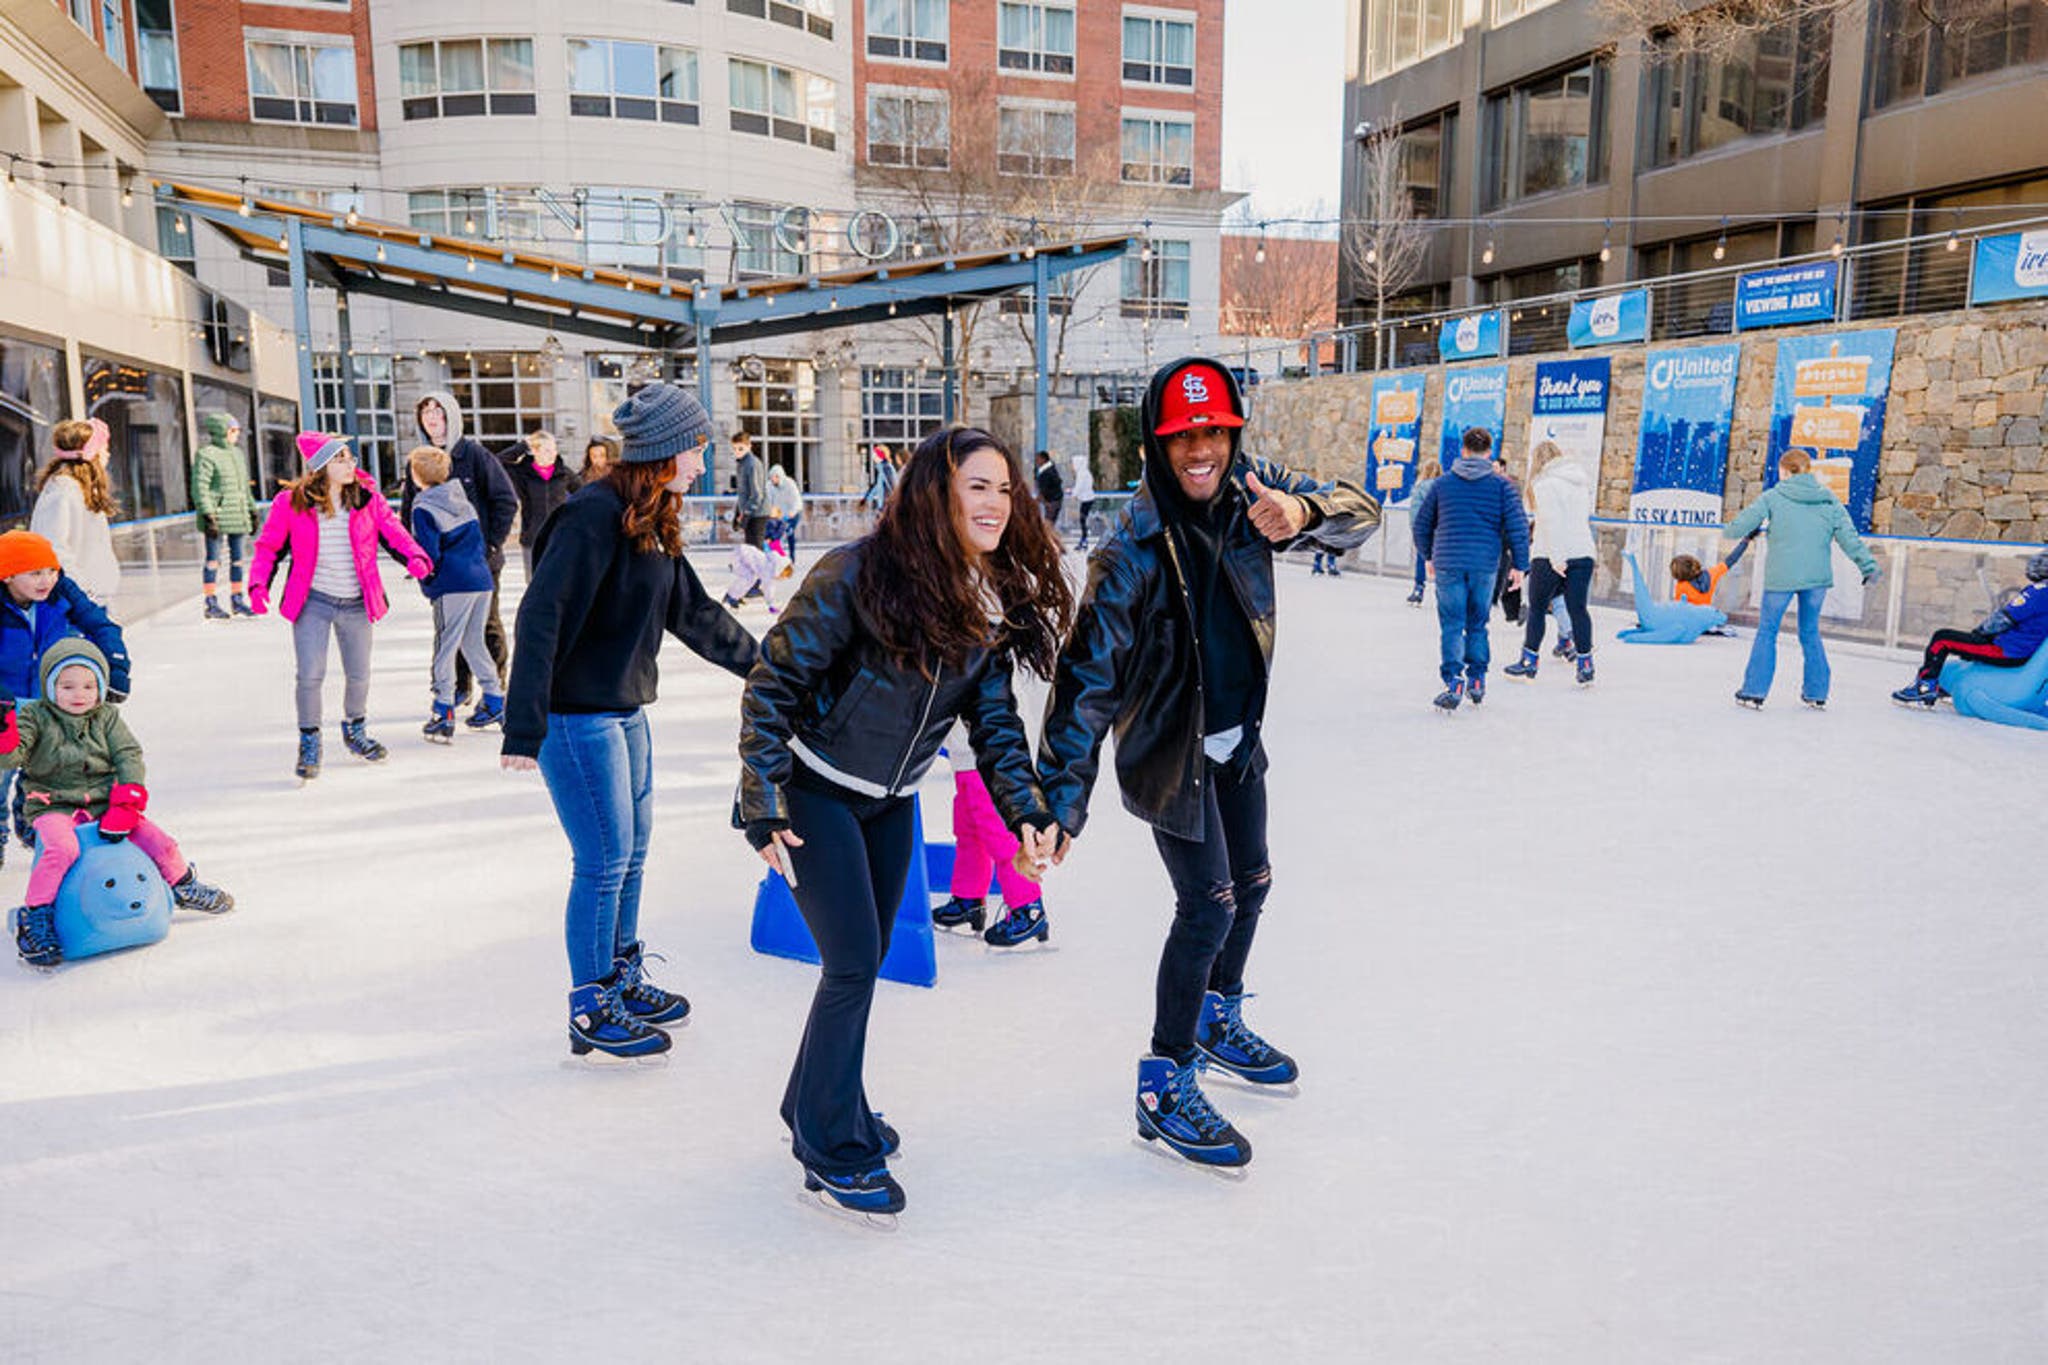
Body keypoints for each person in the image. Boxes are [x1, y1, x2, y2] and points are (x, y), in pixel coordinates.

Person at [1036, 357, 1380, 1172]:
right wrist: (1059, 799)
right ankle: (1163, 1079)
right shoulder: (1130, 550)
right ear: (1159, 444)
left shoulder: (1254, 494)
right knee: (1210, 904)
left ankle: (1217, 1018)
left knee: (1254, 882)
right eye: (1184, 435)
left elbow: (1361, 512)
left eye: (1215, 432)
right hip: (1170, 752)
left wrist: (1301, 511)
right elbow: (1086, 681)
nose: (1202, 450)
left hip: (1237, 739)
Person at [736, 425, 1073, 1218]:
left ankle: (815, 1102)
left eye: (1004, 488)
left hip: (889, 797)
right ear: (936, 491)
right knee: (852, 960)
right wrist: (762, 797)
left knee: (870, 955)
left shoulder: (984, 601)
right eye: (977, 485)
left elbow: (995, 729)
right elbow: (771, 684)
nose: (996, 502)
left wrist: (1027, 811)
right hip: (814, 788)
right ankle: (829, 1144)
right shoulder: (857, 573)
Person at [501, 385, 759, 1064]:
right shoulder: (590, 515)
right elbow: (540, 616)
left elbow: (696, 614)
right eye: (697, 450)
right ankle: (589, 1003)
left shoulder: (653, 516)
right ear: (665, 452)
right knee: (603, 859)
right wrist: (522, 725)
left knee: (633, 852)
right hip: (573, 716)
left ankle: (619, 976)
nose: (703, 465)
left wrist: (768, 671)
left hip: (625, 709)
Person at [3, 639, 231, 968]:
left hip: (104, 800)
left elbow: (127, 754)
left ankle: (184, 885)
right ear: (50, 687)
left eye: (88, 686)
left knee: (161, 843)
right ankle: (36, 916)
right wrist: (5, 734)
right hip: (52, 802)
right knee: (61, 849)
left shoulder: (107, 717)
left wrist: (127, 802)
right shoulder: (36, 717)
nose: (78, 694)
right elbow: (13, 756)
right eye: (67, 686)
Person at [249, 433, 432, 782]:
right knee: (310, 675)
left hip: (356, 602)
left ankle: (355, 729)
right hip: (312, 601)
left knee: (359, 674)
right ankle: (310, 742)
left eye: (350, 458)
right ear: (321, 466)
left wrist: (415, 557)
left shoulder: (367, 500)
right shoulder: (291, 503)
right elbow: (269, 546)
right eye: (341, 459)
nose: (352, 464)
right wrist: (259, 584)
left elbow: (395, 533)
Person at [0, 530, 130, 869]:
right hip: (6, 703)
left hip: (48, 702)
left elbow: (102, 626)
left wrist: (116, 669)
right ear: (8, 575)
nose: (47, 580)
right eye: (35, 573)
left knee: (50, 768)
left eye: (51, 570)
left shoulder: (61, 592)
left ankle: (30, 816)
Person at [1725, 449, 1879, 710]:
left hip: (1781, 577)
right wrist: (1868, 567)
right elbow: (1849, 538)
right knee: (1809, 632)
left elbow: (1737, 527)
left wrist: (1739, 530)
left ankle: (1754, 691)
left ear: (1784, 471)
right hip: (1816, 578)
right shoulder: (1829, 500)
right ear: (1808, 471)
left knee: (1767, 631)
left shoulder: (1773, 496)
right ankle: (1817, 693)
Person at [409, 392, 518, 705]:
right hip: (444, 567)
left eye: (438, 411)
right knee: (450, 630)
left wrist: (491, 544)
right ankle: (459, 687)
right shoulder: (418, 459)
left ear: (451, 416)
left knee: (486, 626)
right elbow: (408, 511)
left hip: (480, 561)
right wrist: (413, 556)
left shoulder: (475, 455)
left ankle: (495, 688)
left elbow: (505, 500)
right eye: (426, 411)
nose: (431, 417)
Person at [1412, 428, 1529, 711]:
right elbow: (1518, 527)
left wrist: (1428, 555)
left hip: (1448, 562)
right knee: (1477, 623)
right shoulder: (1502, 487)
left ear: (1463, 450)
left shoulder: (1442, 484)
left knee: (1452, 624)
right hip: (1484, 565)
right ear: (1489, 453)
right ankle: (1476, 679)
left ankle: (1453, 680)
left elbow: (1421, 524)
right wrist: (1520, 565)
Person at [408, 445, 503, 742]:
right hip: (481, 581)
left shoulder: (424, 506)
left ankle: (443, 709)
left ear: (416, 476)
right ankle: (495, 699)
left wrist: (428, 580)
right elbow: (477, 542)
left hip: (452, 584)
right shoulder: (463, 501)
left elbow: (429, 552)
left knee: (445, 645)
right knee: (473, 642)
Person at [931, 719, 1050, 947]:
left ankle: (1028, 907)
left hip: (988, 758)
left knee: (999, 835)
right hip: (964, 759)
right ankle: (969, 898)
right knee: (968, 832)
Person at [1893, 549, 2048, 707]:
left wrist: (1979, 634)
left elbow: (2004, 618)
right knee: (1964, 646)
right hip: (2020, 650)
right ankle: (1948, 686)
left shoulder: (2040, 591)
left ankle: (1924, 688)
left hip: (2007, 650)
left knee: (1942, 639)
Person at [1504, 442, 1597, 685]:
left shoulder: (1544, 484)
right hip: (1583, 551)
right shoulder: (1579, 482)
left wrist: (1557, 559)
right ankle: (1585, 664)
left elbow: (1551, 522)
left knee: (1537, 609)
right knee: (1578, 609)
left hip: (1550, 555)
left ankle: (1528, 662)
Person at [31, 419, 121, 608]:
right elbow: (54, 547)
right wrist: (82, 592)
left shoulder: (81, 489)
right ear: (91, 454)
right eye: (103, 448)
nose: (108, 454)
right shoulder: (62, 492)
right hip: (76, 603)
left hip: (92, 596)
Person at [191, 411, 258, 620]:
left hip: (237, 515)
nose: (236, 434)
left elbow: (243, 487)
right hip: (218, 516)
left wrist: (251, 509)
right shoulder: (206, 454)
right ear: (222, 431)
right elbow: (200, 486)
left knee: (238, 560)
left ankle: (237, 599)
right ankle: (210, 602)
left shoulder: (237, 454)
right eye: (233, 430)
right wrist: (208, 513)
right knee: (213, 560)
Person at [503, 429, 582, 581]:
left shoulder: (563, 472)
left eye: (554, 449)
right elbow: (497, 462)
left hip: (560, 539)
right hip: (532, 540)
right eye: (547, 450)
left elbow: (584, 494)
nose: (553, 454)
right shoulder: (522, 473)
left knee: (560, 584)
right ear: (535, 451)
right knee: (534, 584)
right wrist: (522, 446)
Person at [1403, 457, 1441, 606]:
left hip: (1421, 528)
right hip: (1436, 528)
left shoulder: (1420, 487)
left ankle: (1419, 588)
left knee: (1422, 558)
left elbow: (1416, 511)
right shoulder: (1440, 487)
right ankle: (1442, 591)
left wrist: (1414, 527)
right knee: (1439, 560)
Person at [720, 542, 788, 613]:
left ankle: (735, 596)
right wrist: (771, 605)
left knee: (750, 578)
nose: (781, 579)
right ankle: (731, 597)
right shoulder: (768, 571)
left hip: (743, 554)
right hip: (740, 556)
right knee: (747, 578)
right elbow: (769, 588)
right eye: (783, 576)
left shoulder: (772, 564)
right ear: (780, 570)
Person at [732, 429, 767, 549]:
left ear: (749, 446)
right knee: (751, 549)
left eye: (740, 449)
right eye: (735, 449)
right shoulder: (741, 464)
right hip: (749, 512)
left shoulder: (752, 464)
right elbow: (743, 492)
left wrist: (746, 513)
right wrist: (738, 511)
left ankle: (762, 568)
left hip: (757, 513)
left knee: (755, 549)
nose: (737, 452)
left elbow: (757, 494)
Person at [765, 462, 804, 571]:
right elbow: (768, 500)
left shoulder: (790, 484)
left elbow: (796, 500)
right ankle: (777, 558)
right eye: (771, 477)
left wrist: (793, 512)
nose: (773, 480)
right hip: (779, 514)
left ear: (779, 476)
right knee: (774, 535)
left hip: (792, 513)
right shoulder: (769, 486)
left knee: (789, 532)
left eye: (774, 477)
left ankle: (791, 557)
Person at [1069, 452, 1097, 550]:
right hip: (1087, 499)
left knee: (1083, 520)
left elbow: (1079, 487)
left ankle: (1084, 540)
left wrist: (1073, 495)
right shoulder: (1085, 473)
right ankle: (1084, 540)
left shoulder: (1082, 474)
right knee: (1083, 520)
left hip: (1086, 500)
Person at [1034, 450, 1064, 529]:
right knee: (1049, 522)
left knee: (1048, 523)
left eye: (1038, 459)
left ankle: (1049, 539)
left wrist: (1038, 501)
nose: (1036, 462)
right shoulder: (1050, 470)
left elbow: (1044, 490)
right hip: (1053, 500)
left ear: (1043, 459)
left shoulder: (1046, 473)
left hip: (1052, 501)